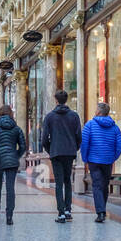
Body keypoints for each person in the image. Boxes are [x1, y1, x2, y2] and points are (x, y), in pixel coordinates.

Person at [41, 89, 82, 223]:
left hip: (56, 153)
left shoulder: (50, 117)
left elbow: (44, 139)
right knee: (68, 181)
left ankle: (61, 213)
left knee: (59, 183)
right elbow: (78, 136)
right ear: (66, 100)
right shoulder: (74, 116)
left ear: (56, 100)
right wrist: (74, 148)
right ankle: (68, 209)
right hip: (69, 153)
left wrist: (50, 149)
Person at [81, 101, 121, 223]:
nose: (94, 111)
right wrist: (113, 157)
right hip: (107, 161)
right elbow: (120, 144)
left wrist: (85, 158)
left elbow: (84, 143)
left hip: (94, 160)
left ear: (98, 112)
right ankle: (102, 209)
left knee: (97, 185)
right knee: (104, 185)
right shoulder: (114, 127)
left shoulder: (90, 125)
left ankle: (100, 212)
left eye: (95, 110)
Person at [0, 105, 26, 224]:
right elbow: (23, 146)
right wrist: (16, 155)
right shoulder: (17, 128)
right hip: (11, 162)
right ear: (11, 114)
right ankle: (9, 216)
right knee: (10, 188)